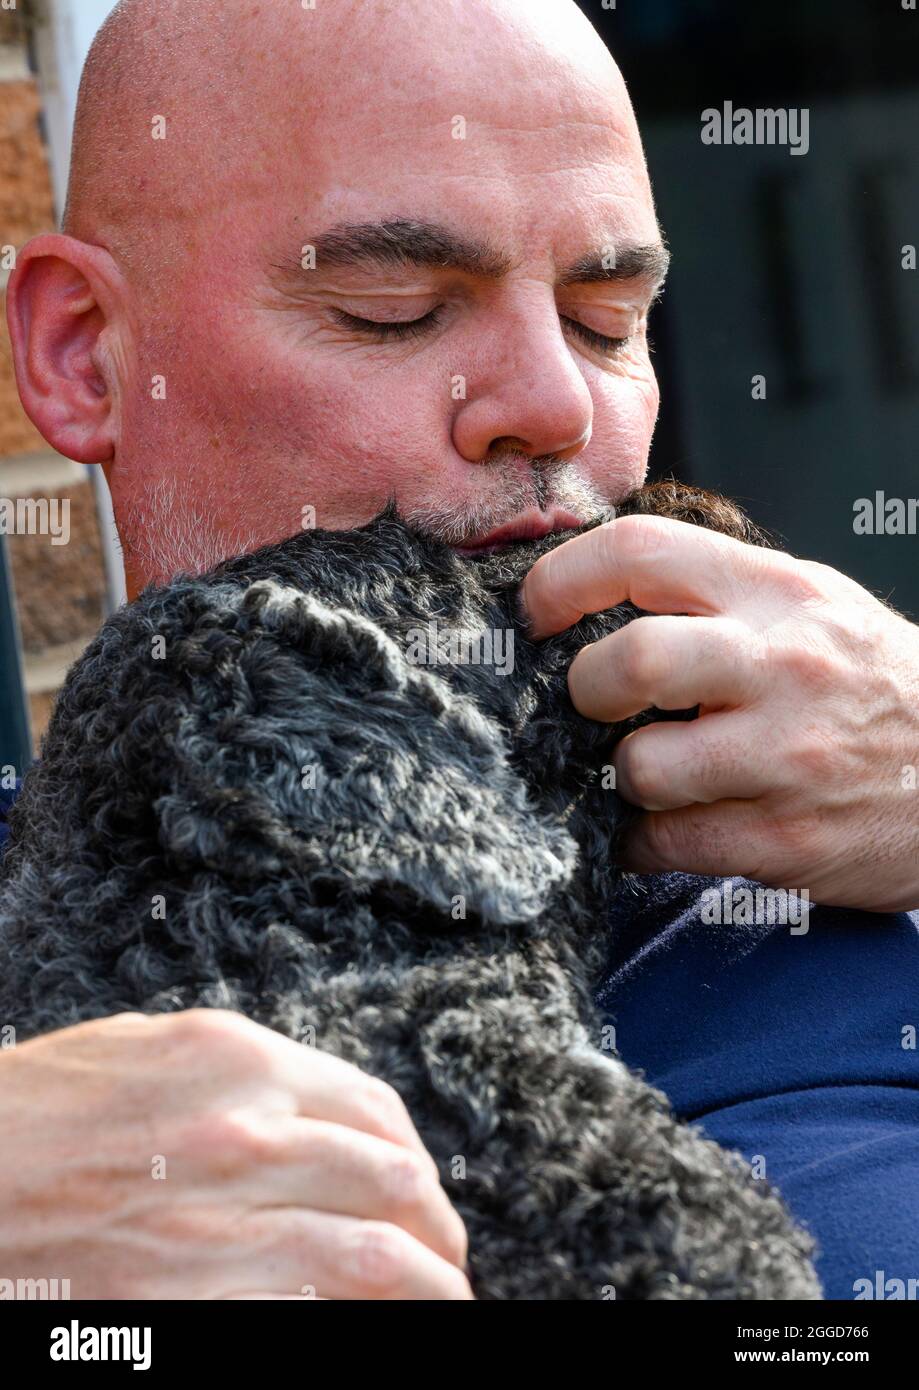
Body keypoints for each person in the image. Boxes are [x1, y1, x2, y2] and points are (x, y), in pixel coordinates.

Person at [3, 0, 917, 1300]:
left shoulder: (860, 843)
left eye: (609, 320)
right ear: (85, 353)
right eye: (398, 309)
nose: (557, 402)